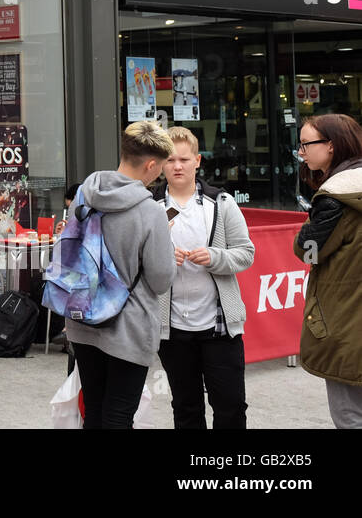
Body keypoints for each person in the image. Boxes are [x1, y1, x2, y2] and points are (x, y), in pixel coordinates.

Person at [64, 120, 176, 429]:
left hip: (82, 319)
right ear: (151, 165)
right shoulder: (150, 211)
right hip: (128, 327)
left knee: (95, 411)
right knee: (119, 415)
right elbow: (160, 279)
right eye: (161, 168)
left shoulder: (85, 195)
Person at [151, 126, 254, 429]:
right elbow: (134, 264)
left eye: (183, 159)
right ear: (160, 164)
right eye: (170, 160)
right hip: (173, 328)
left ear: (197, 161)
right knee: (185, 407)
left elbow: (246, 253)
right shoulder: (149, 207)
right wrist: (162, 259)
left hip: (219, 327)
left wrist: (215, 257)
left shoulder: (221, 203)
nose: (177, 166)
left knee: (231, 406)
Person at [292, 113, 362, 428]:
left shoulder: (334, 198)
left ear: (330, 146)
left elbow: (307, 251)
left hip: (346, 323)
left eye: (306, 144)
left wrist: (311, 220)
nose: (301, 153)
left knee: (350, 416)